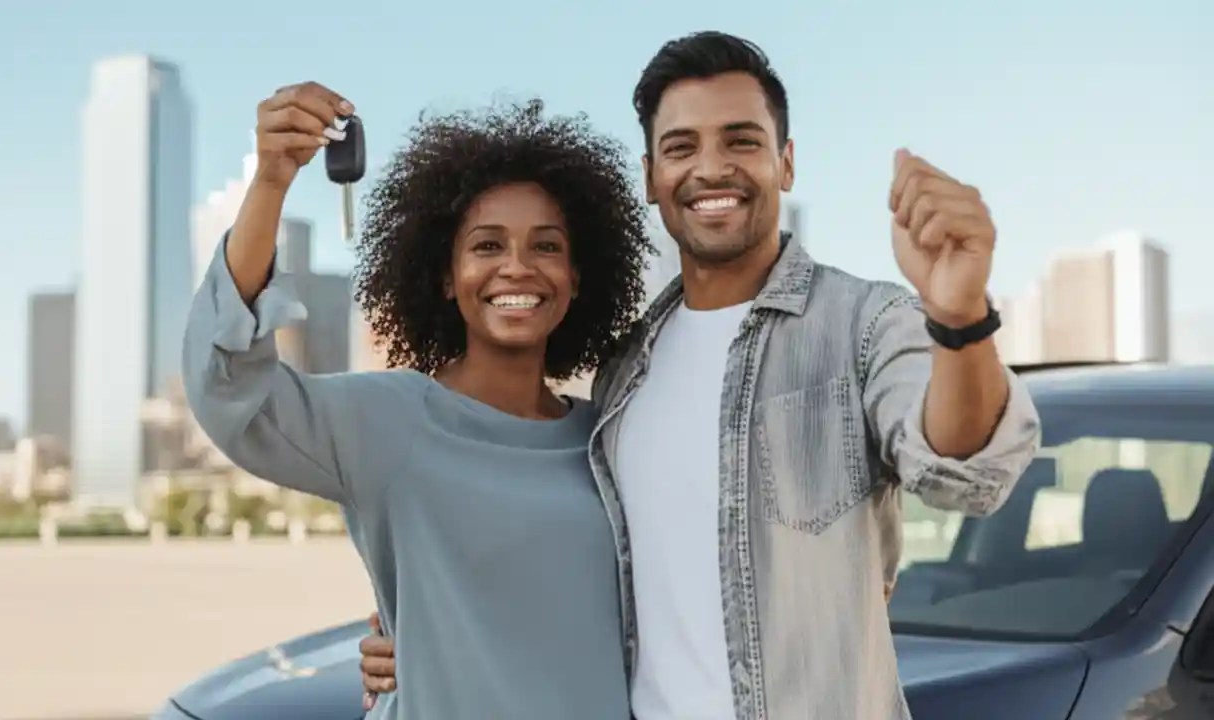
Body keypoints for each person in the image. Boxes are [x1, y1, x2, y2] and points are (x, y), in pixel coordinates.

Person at [359, 31, 1042, 719]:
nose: (711, 168)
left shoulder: (865, 324)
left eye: (741, 141)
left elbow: (964, 469)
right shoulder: (624, 372)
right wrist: (422, 634)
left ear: (787, 162)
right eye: (682, 147)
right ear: (652, 177)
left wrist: (958, 319)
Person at [182, 82, 654, 718]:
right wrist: (271, 181)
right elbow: (228, 387)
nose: (517, 266)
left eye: (546, 245)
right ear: (445, 276)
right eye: (487, 245)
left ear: (575, 276)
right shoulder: (388, 422)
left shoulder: (612, 438)